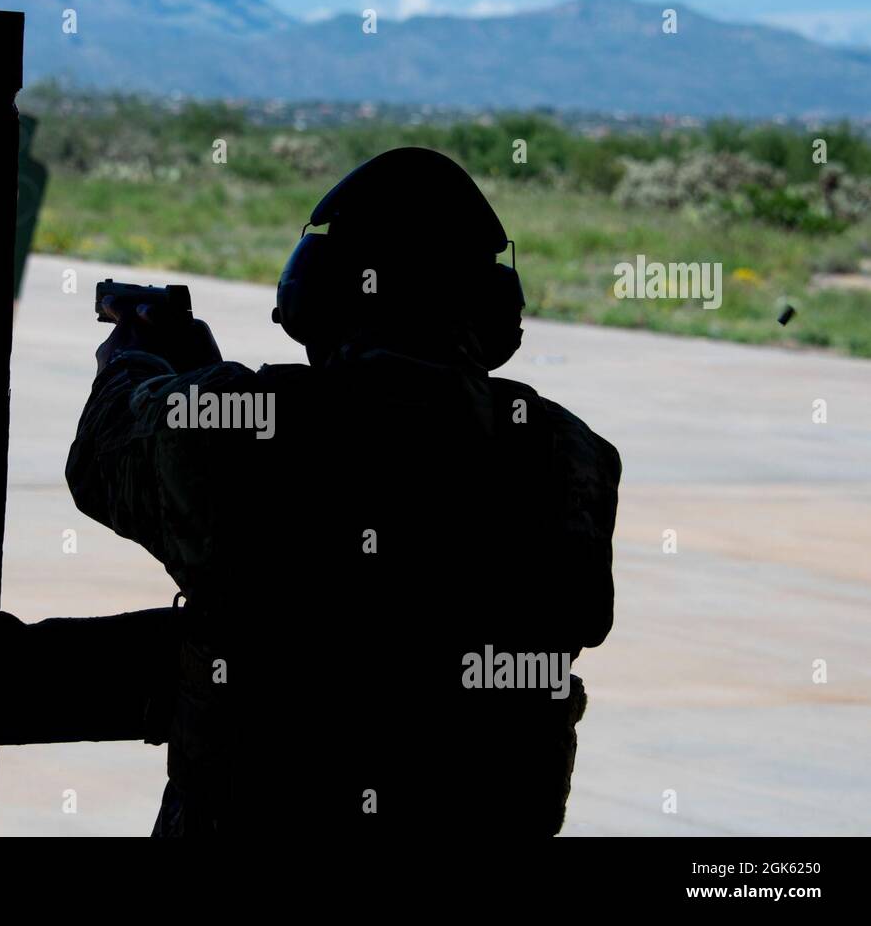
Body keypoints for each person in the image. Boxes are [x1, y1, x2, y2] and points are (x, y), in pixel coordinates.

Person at [66, 147, 622, 836]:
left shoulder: (247, 430)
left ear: (313, 297)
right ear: (493, 311)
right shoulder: (570, 452)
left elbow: (104, 459)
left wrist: (133, 360)